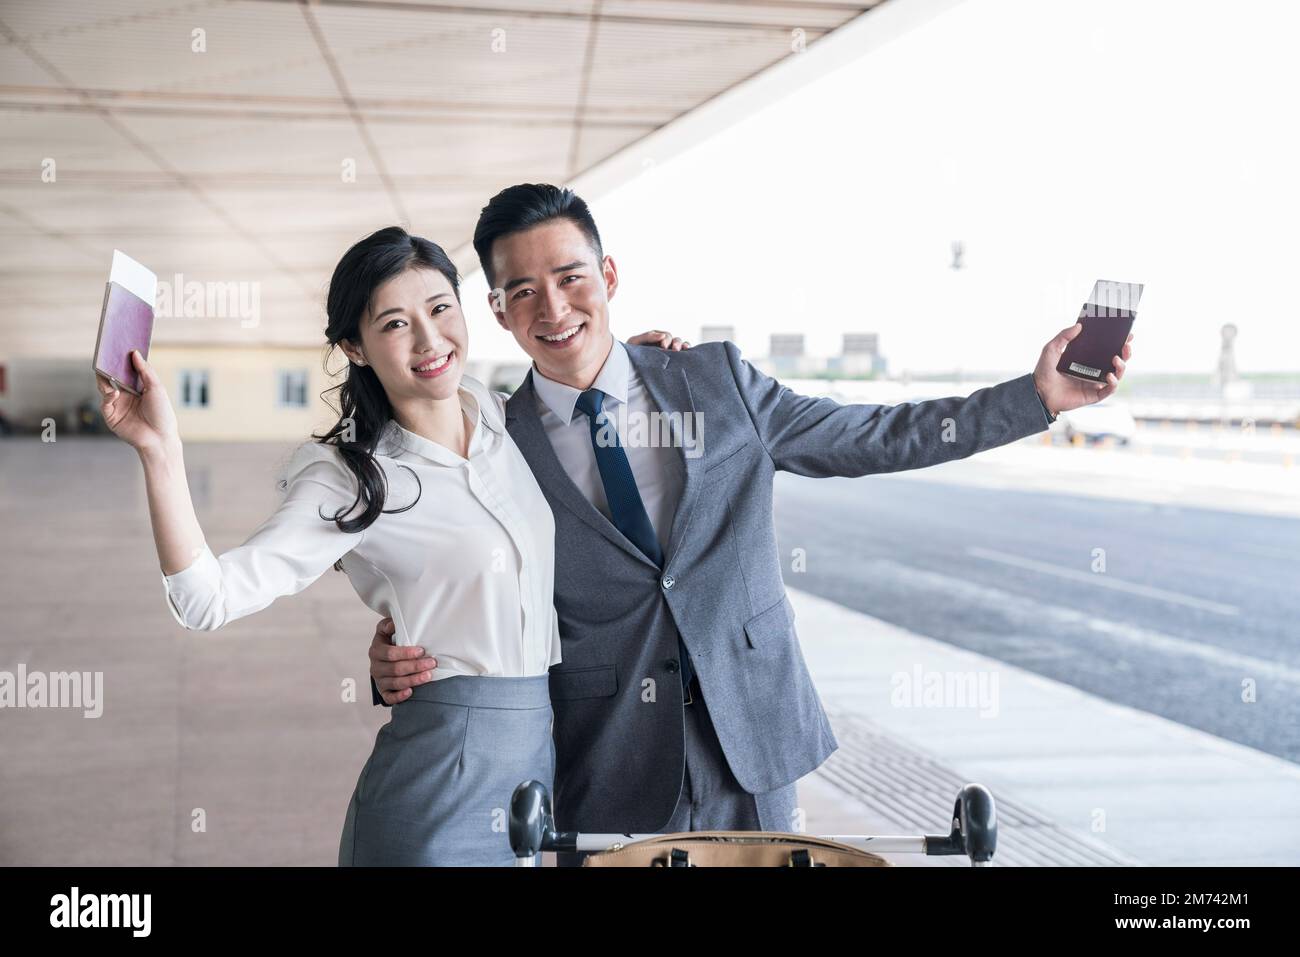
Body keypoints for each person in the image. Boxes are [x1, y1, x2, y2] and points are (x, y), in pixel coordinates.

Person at [368, 184, 1136, 865]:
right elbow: (456, 574)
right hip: (605, 750)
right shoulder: (496, 444)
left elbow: (872, 434)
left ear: (607, 276)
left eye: (570, 277)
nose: (554, 307)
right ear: (497, 310)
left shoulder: (715, 381)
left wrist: (1033, 398)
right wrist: (394, 654)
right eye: (523, 290)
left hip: (752, 728)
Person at [96, 225, 687, 865]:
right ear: (354, 346)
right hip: (434, 788)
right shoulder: (353, 476)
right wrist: (161, 453)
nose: (430, 341)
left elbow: (577, 390)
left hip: (533, 777)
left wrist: (629, 364)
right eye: (396, 324)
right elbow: (206, 600)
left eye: (439, 309)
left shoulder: (501, 419)